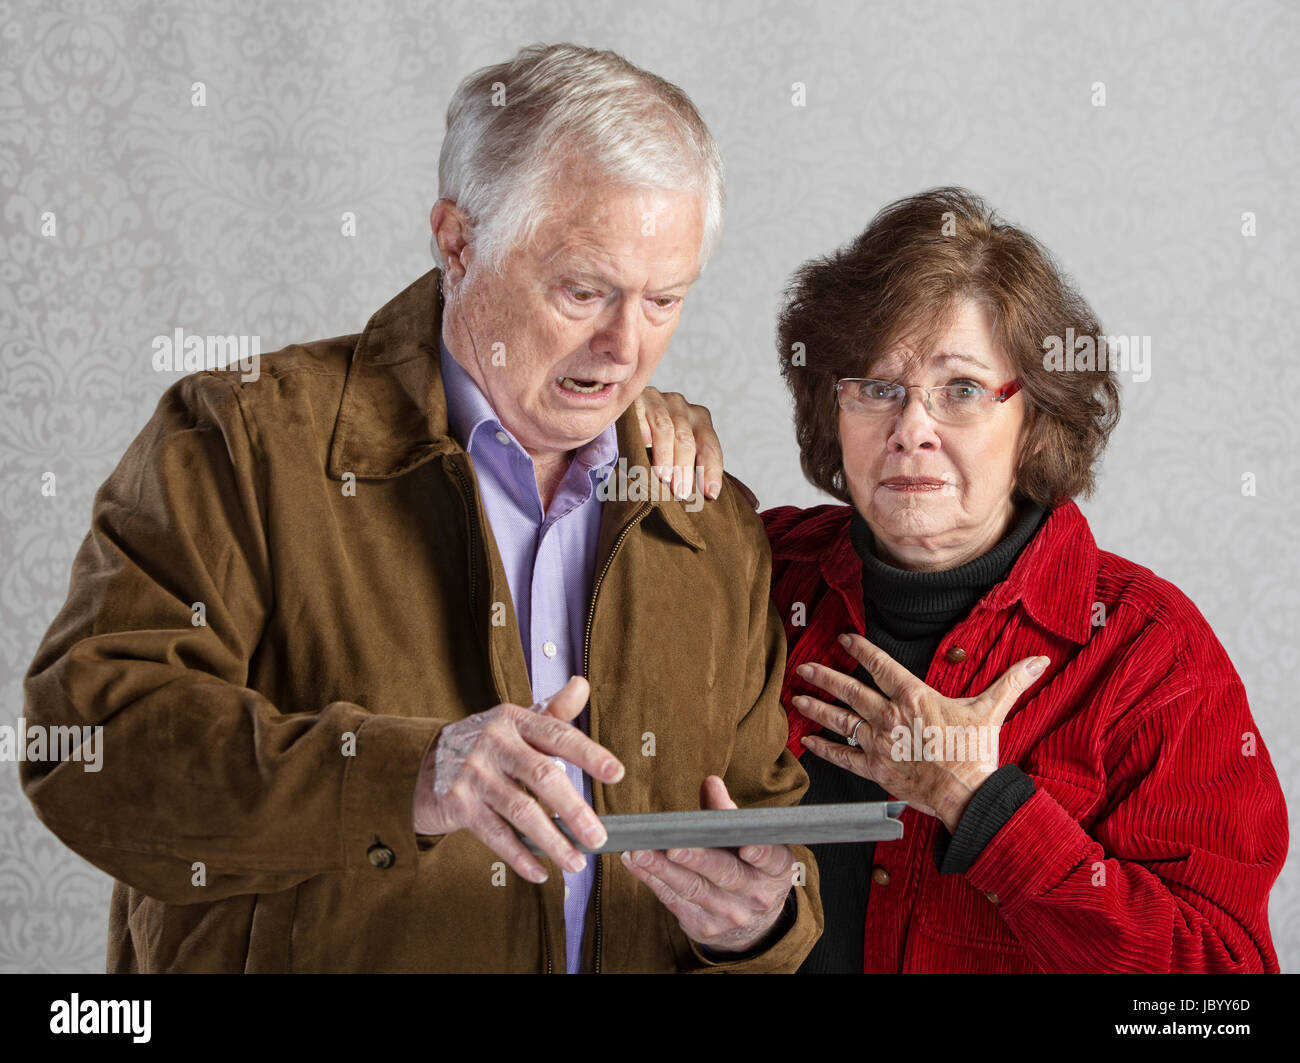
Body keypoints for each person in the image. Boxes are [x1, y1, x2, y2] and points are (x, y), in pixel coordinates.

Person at [20, 43, 822, 973]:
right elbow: (86, 746)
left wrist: (757, 926)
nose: (624, 346)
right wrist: (405, 775)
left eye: (663, 299)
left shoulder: (709, 523)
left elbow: (773, 833)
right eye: (583, 290)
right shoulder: (241, 441)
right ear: (457, 241)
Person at [637, 187, 1287, 972]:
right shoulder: (754, 573)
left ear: (1037, 420)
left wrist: (983, 806)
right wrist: (629, 424)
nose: (912, 428)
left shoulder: (1153, 655)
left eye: (964, 390)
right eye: (877, 388)